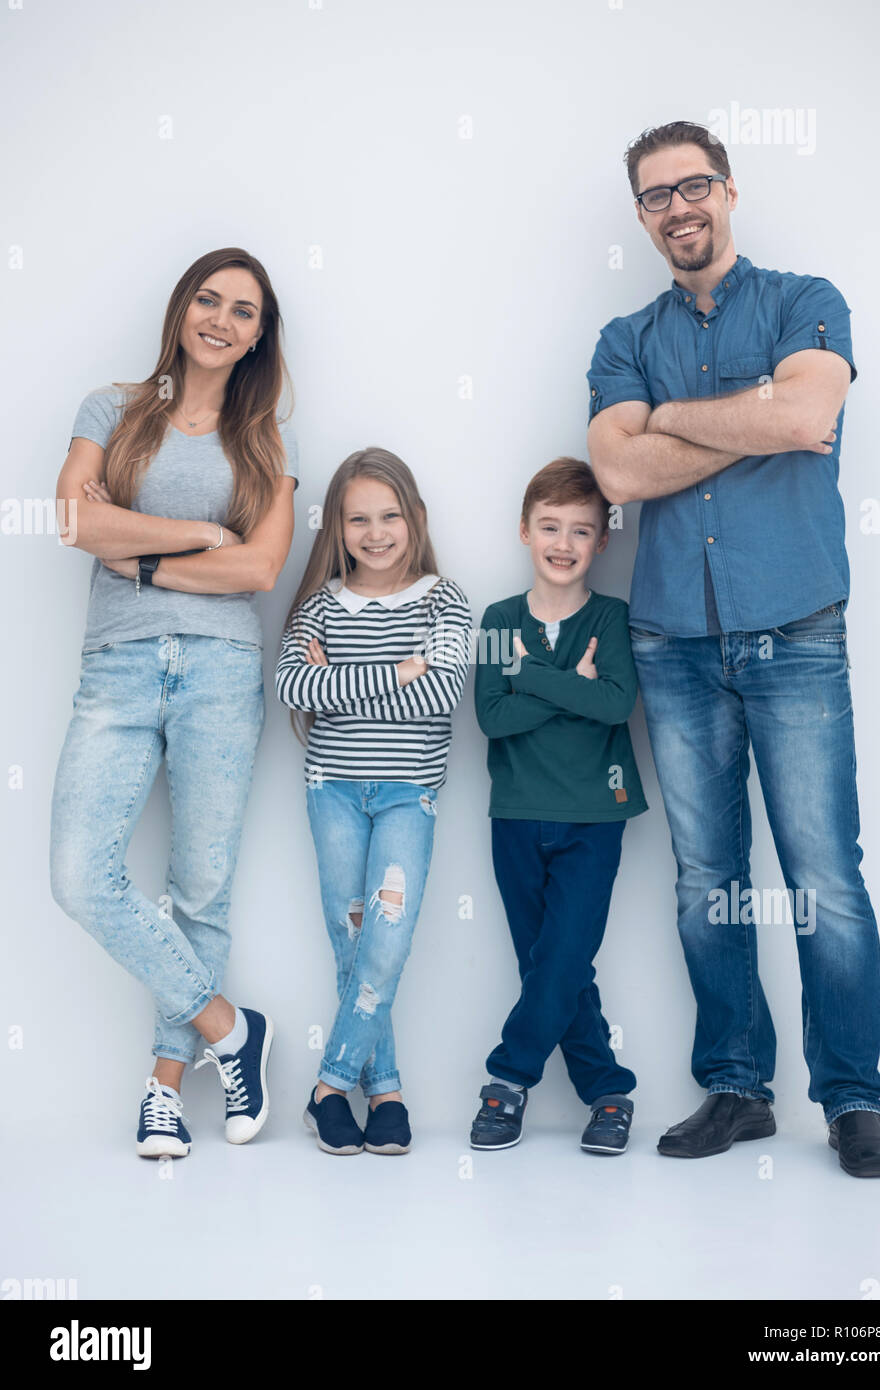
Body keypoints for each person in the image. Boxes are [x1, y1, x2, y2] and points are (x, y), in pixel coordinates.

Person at [586, 121, 880, 1177]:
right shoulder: (623, 338)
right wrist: (744, 412)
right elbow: (618, 477)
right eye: (656, 195)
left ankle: (853, 1098)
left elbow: (808, 413)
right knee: (705, 876)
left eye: (695, 185)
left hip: (797, 629)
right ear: (641, 215)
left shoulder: (808, 298)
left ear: (729, 189)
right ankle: (736, 1087)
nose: (679, 207)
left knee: (824, 872)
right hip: (673, 638)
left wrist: (670, 421)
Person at [50, 248, 299, 1159]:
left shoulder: (268, 436)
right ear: (182, 307)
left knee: (200, 888)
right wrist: (197, 531)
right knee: (81, 875)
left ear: (257, 336)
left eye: (244, 311)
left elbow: (259, 568)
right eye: (209, 299)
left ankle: (164, 1088)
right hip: (116, 666)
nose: (221, 320)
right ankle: (232, 1029)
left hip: (222, 670)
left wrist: (145, 558)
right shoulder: (111, 408)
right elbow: (75, 520)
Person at [275, 448, 471, 1155]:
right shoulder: (319, 603)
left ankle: (328, 1088)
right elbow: (295, 688)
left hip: (406, 796)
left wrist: (347, 678)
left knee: (384, 942)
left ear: (414, 519)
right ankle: (384, 1091)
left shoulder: (444, 600)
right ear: (336, 526)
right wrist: (397, 667)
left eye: (389, 516)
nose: (375, 532)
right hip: (331, 791)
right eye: (357, 519)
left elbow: (442, 692)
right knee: (352, 942)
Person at [470, 458, 647, 1155]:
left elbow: (616, 703)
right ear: (524, 531)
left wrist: (531, 678)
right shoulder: (495, 619)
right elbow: (490, 717)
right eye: (549, 527)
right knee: (550, 964)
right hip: (514, 814)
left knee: (563, 956)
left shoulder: (612, 617)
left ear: (602, 541)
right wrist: (569, 687)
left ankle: (506, 1079)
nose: (564, 543)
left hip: (593, 817)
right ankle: (607, 1092)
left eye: (581, 530)